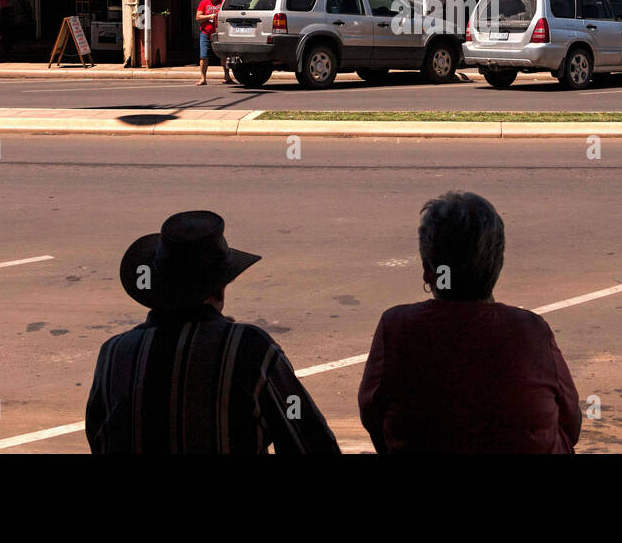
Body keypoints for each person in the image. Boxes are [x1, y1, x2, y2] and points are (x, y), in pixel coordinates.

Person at [86, 210, 341, 454]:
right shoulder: (249, 349)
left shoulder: (114, 353)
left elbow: (99, 436)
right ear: (220, 289)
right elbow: (307, 436)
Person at [358, 191, 581, 453]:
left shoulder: (396, 328)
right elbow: (571, 426)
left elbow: (374, 420)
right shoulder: (531, 331)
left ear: (428, 270)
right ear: (498, 264)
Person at [195, 0, 229, 85]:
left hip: (219, 33)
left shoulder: (223, 2)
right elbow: (198, 17)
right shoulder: (204, 3)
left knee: (223, 55)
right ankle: (203, 78)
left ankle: (227, 76)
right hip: (205, 33)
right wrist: (210, 16)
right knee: (203, 56)